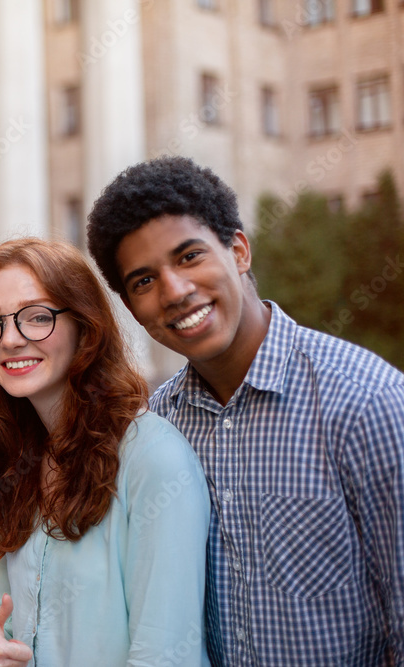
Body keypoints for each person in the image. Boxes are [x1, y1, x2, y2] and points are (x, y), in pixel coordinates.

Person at [86, 155, 404, 665]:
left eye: (190, 256)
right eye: (143, 281)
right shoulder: (156, 429)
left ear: (238, 250)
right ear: (129, 306)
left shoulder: (366, 401)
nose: (175, 291)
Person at [0, 238, 210, 666]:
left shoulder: (153, 458)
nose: (10, 340)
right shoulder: (11, 457)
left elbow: (164, 654)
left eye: (37, 317)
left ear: (84, 326)